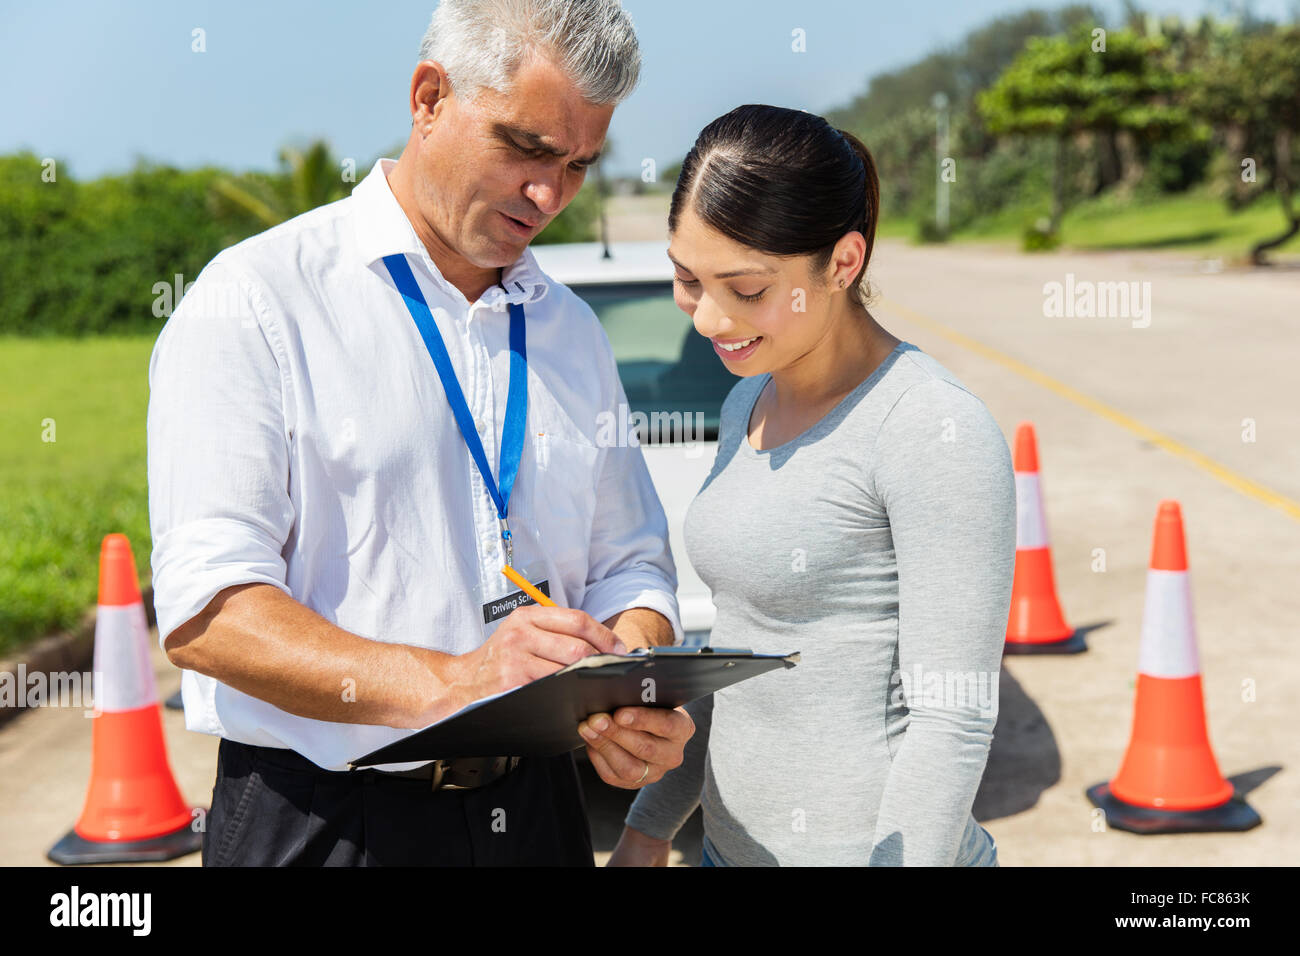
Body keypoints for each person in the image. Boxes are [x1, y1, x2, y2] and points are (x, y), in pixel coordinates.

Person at [146, 0, 693, 867]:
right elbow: (209, 612)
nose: (549, 194)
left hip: (538, 811)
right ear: (430, 97)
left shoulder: (571, 330)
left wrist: (628, 679)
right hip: (325, 820)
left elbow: (633, 565)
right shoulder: (255, 302)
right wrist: (458, 682)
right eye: (527, 148)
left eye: (578, 165)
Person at [608, 105, 1016, 867]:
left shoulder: (929, 426)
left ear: (843, 262)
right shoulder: (747, 401)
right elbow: (737, 653)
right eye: (687, 279)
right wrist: (648, 826)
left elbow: (953, 721)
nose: (707, 319)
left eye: (746, 288)